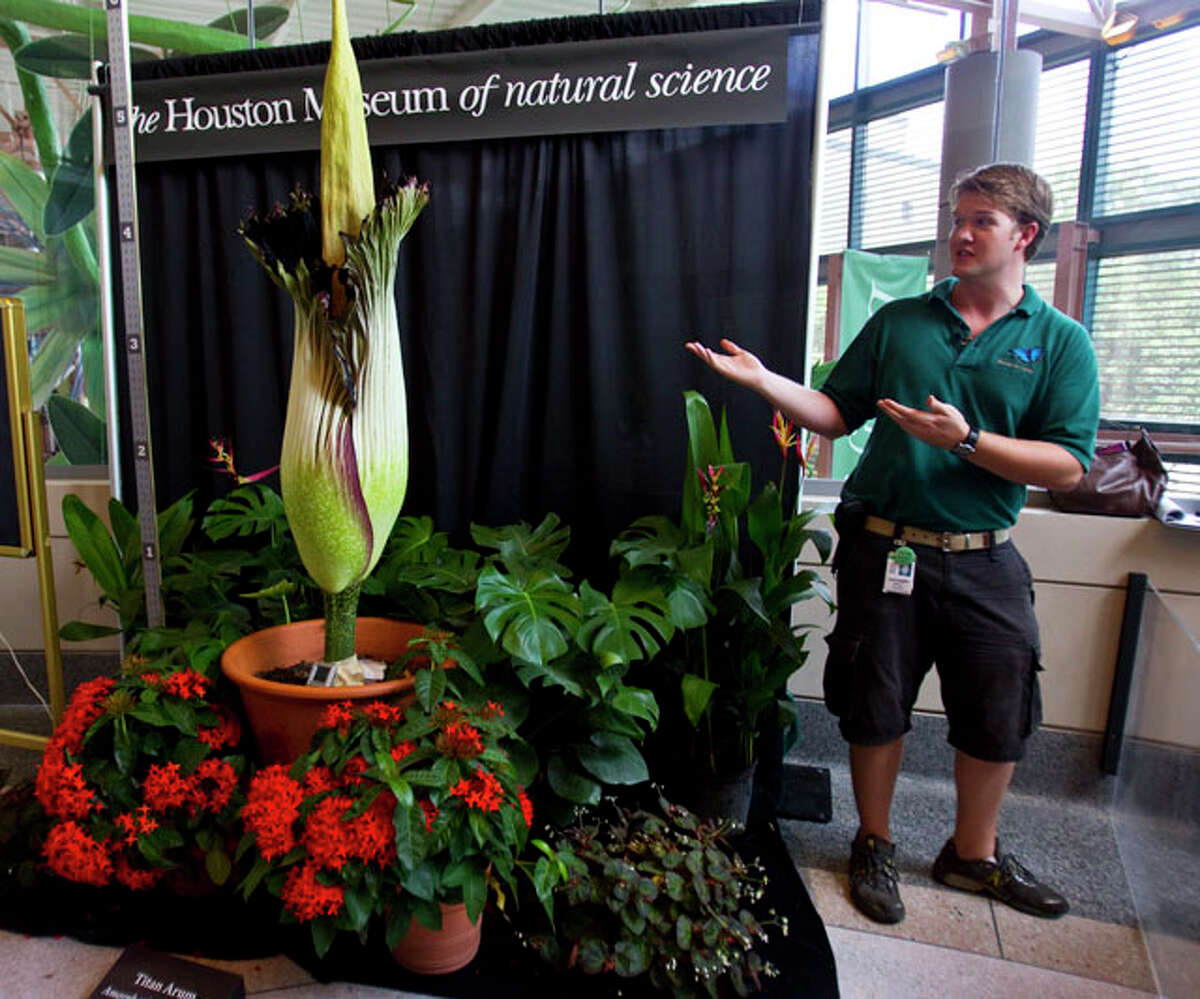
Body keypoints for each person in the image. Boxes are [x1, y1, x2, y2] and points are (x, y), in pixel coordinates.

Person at [685, 162, 1099, 924]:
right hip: (887, 550)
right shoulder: (902, 323)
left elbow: (1069, 464)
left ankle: (973, 853)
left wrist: (967, 440)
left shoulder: (1060, 342)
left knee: (999, 711)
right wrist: (765, 381)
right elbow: (836, 412)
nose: (960, 234)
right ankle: (873, 841)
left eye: (980, 221)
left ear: (1026, 235)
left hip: (987, 555)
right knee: (874, 702)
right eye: (957, 218)